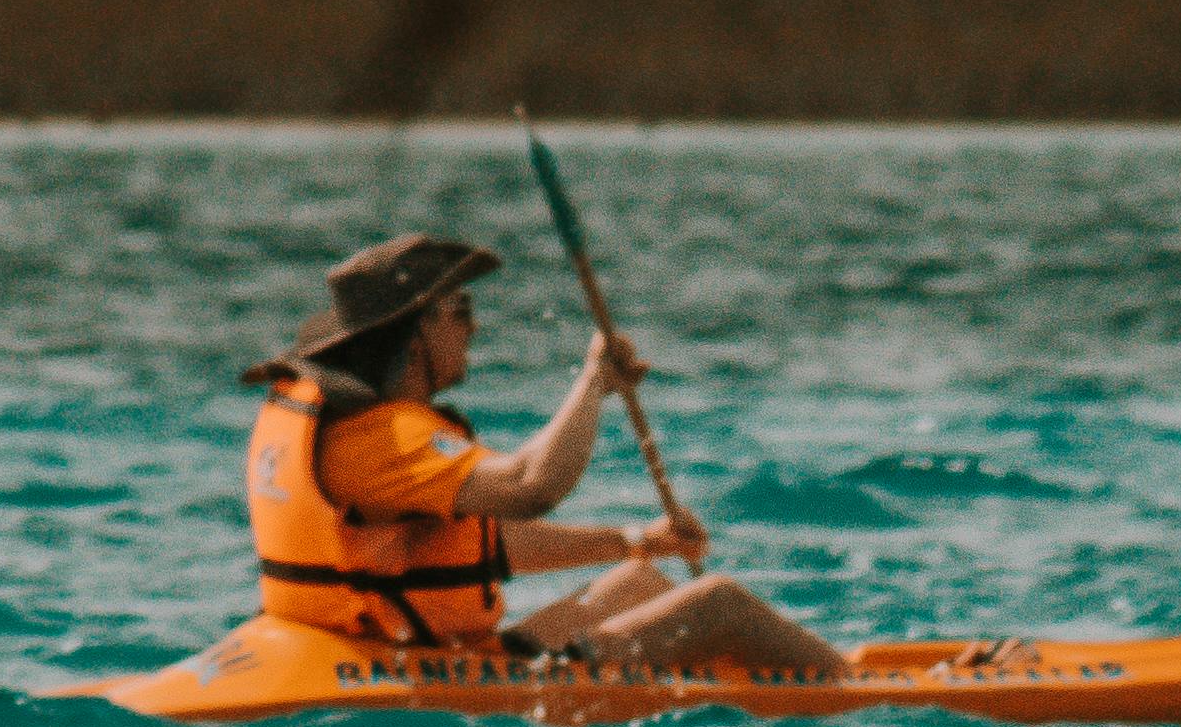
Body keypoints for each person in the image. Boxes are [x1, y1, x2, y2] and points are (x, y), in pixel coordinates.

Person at [244, 233, 845, 677]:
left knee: (641, 580)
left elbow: (481, 543)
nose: (473, 329)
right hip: (432, 668)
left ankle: (775, 674)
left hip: (406, 653)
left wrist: (634, 539)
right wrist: (594, 382)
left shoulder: (353, 431)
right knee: (720, 604)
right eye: (461, 312)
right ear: (414, 331)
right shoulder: (382, 438)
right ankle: (858, 691)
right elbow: (532, 486)